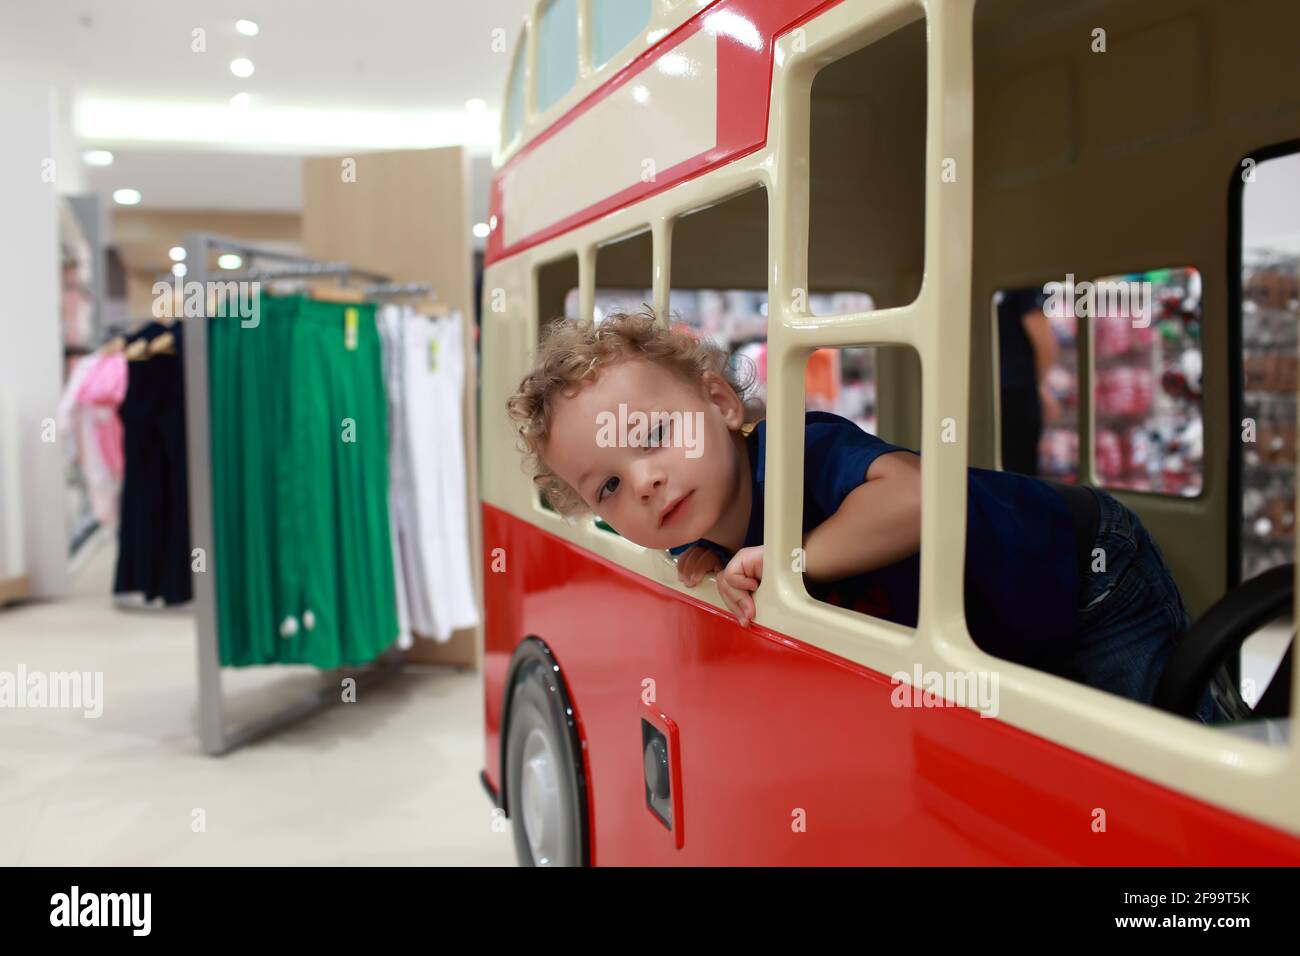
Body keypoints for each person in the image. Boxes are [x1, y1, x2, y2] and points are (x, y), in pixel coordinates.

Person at [506, 309, 1219, 723]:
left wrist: (788, 560)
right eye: (605, 488)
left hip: (1090, 573)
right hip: (1006, 626)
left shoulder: (801, 449)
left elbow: (916, 499)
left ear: (722, 406)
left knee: (1145, 752)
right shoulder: (698, 525)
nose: (645, 482)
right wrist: (714, 558)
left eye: (655, 436)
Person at [997, 288, 1062, 475]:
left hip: (998, 390)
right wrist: (1040, 385)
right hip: (1017, 393)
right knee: (1018, 473)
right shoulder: (1028, 280)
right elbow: (1044, 344)